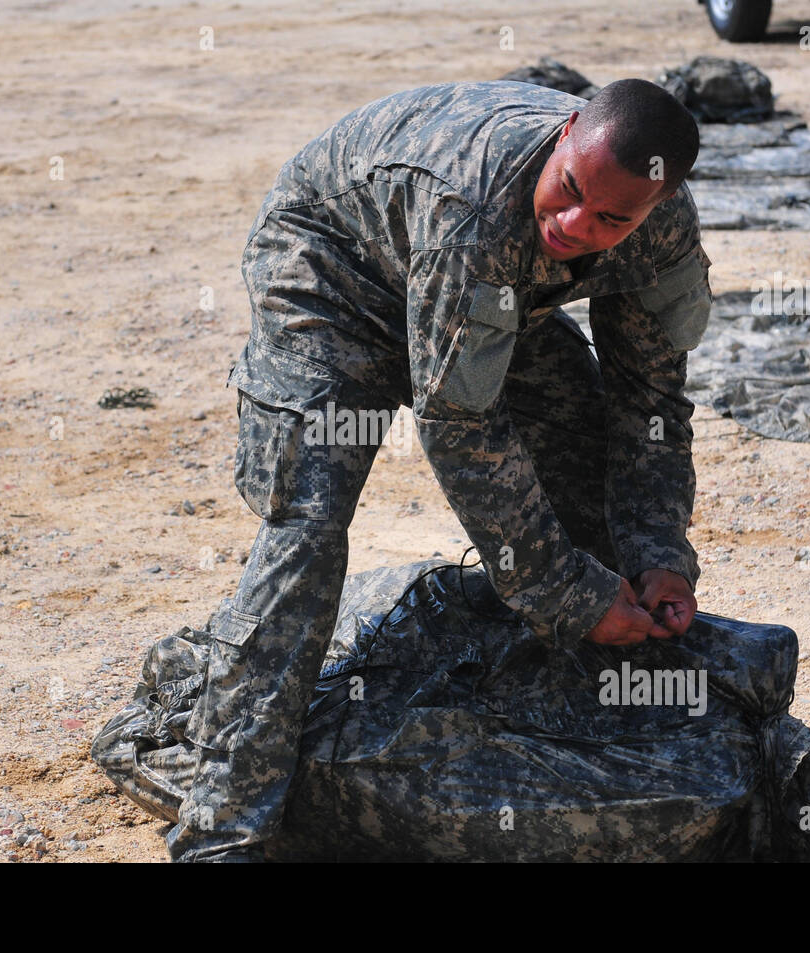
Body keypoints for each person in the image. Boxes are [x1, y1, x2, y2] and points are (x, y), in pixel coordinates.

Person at [170, 77, 712, 861]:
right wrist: (566, 590)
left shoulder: (661, 237)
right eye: (568, 192)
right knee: (307, 532)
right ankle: (225, 828)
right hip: (334, 274)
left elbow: (652, 400)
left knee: (588, 453)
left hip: (472, 300)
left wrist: (658, 554)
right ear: (564, 136)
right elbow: (460, 425)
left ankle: (569, 727)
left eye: (609, 219)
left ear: (652, 211)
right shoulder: (479, 208)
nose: (573, 224)